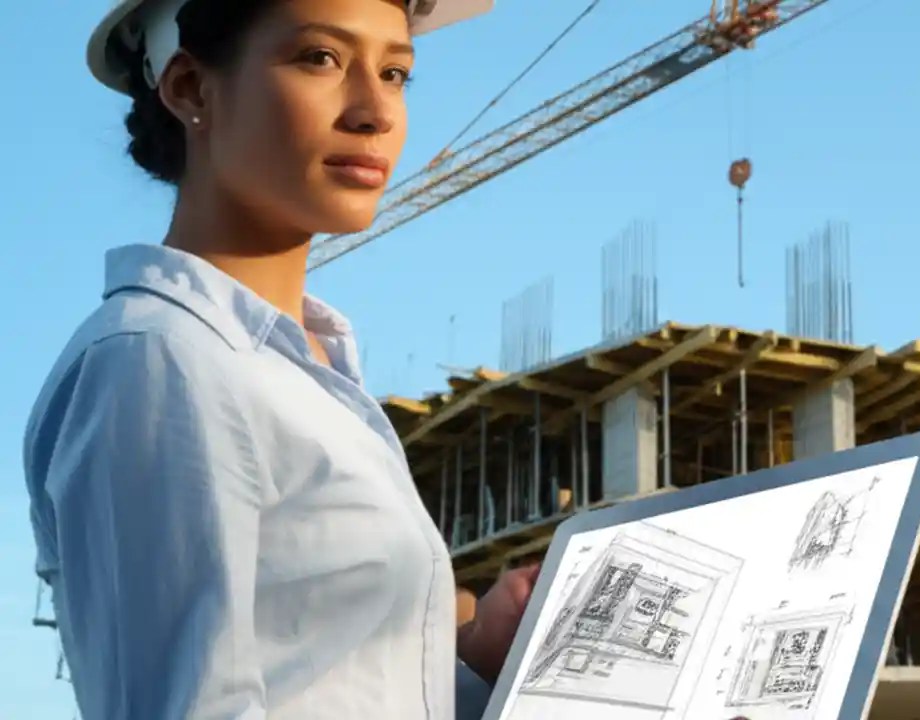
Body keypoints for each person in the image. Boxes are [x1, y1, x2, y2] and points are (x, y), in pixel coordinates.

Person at [21, 0, 537, 718]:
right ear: (191, 89)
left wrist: (476, 657)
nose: (374, 112)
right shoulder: (161, 360)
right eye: (320, 58)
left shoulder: (298, 367)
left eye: (395, 73)